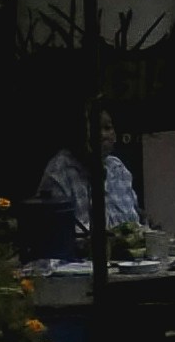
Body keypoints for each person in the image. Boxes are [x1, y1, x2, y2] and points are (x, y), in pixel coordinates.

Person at [31, 108, 140, 258]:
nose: (102, 135)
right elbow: (55, 237)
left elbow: (134, 223)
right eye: (95, 129)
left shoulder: (118, 169)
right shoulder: (60, 170)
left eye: (107, 128)